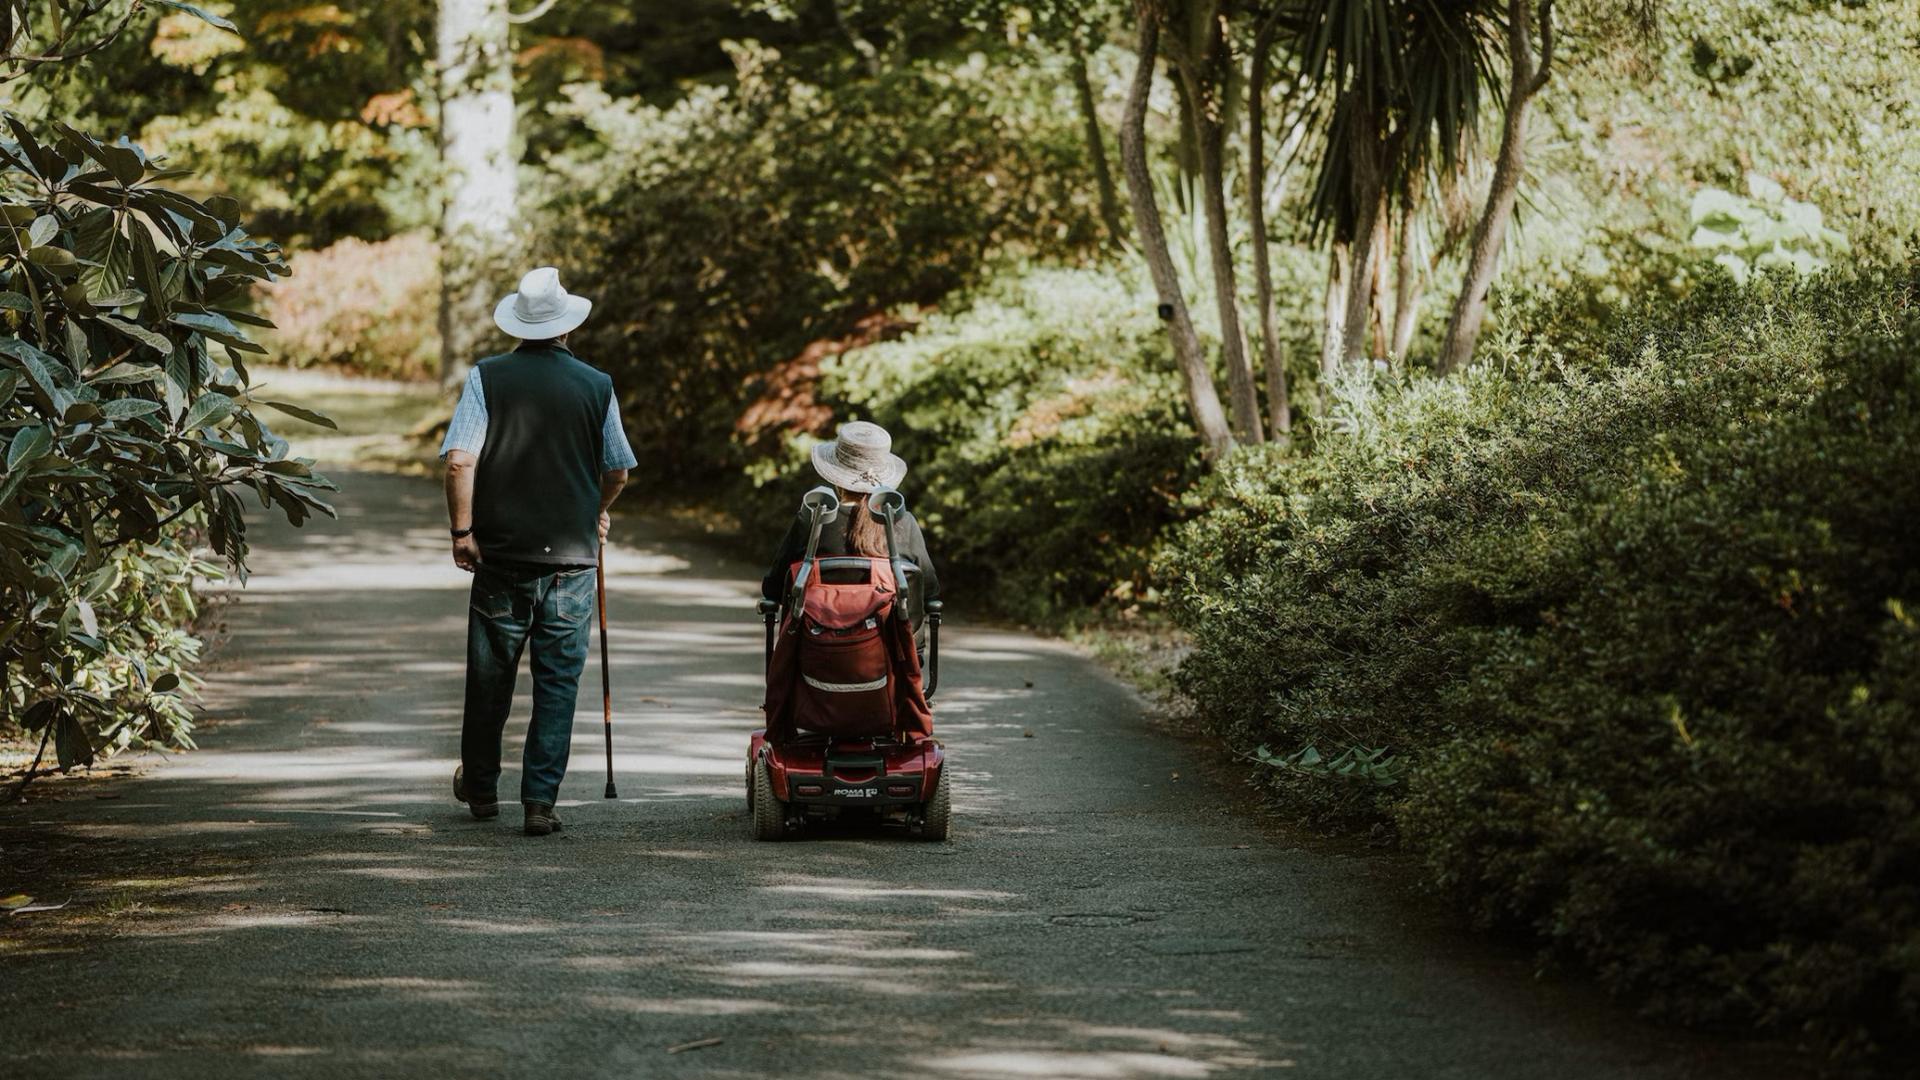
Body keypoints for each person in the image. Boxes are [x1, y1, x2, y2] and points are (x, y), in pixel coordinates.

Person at [440, 267, 637, 837]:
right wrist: (593, 509)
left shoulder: (488, 378)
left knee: (490, 680)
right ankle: (539, 803)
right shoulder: (597, 385)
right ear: (567, 326)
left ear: (519, 325)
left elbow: (459, 459)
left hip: (500, 557)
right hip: (572, 564)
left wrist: (462, 532)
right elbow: (618, 468)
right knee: (558, 685)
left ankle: (480, 789)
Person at [760, 420, 940, 640]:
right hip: (889, 647)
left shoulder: (811, 520)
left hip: (814, 644)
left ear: (836, 478)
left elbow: (773, 588)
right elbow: (929, 593)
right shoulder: (903, 523)